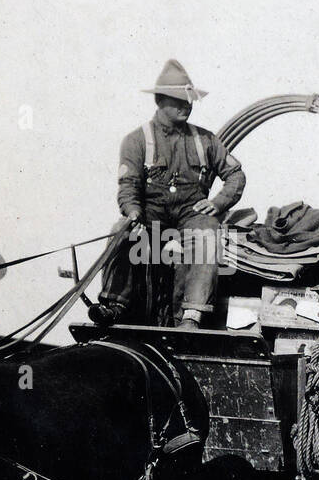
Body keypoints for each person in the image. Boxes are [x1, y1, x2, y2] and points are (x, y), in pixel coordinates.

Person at [91, 59, 246, 330]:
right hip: (151, 212)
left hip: (191, 213)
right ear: (160, 102)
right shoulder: (136, 141)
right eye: (178, 101)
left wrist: (218, 202)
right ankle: (114, 306)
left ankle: (191, 316)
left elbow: (235, 175)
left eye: (189, 101)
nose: (186, 106)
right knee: (123, 231)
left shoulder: (206, 140)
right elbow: (128, 186)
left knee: (207, 235)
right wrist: (133, 211)